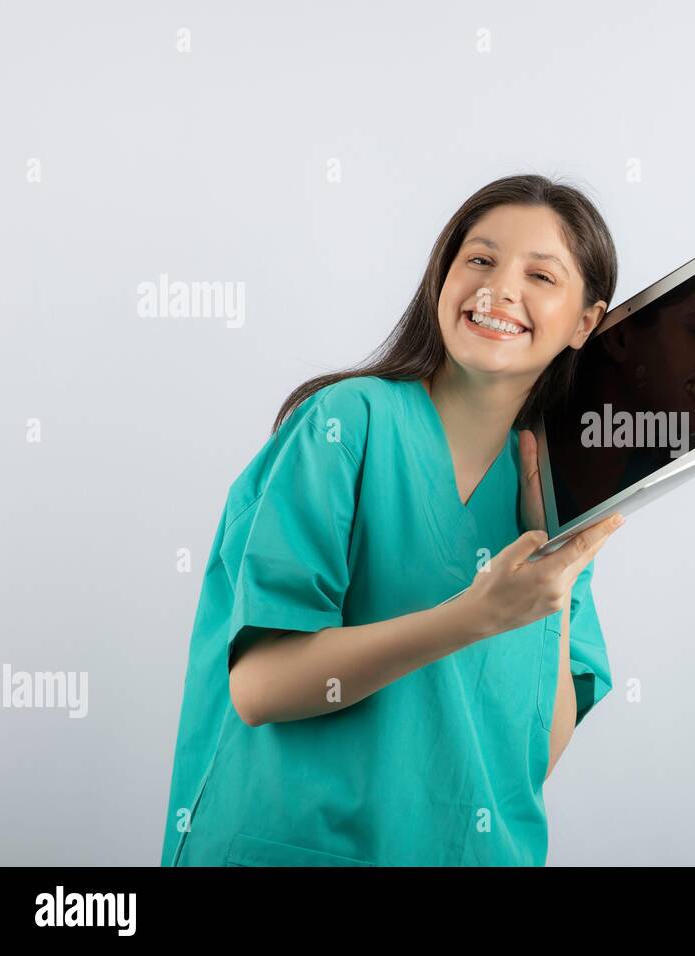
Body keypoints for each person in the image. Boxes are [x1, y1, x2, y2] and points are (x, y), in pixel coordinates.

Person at [160, 174, 624, 867]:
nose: (500, 289)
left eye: (540, 275)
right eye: (480, 259)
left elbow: (530, 757)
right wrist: (474, 615)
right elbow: (259, 688)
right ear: (444, 276)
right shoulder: (346, 426)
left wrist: (554, 565)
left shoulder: (550, 494)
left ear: (586, 321)